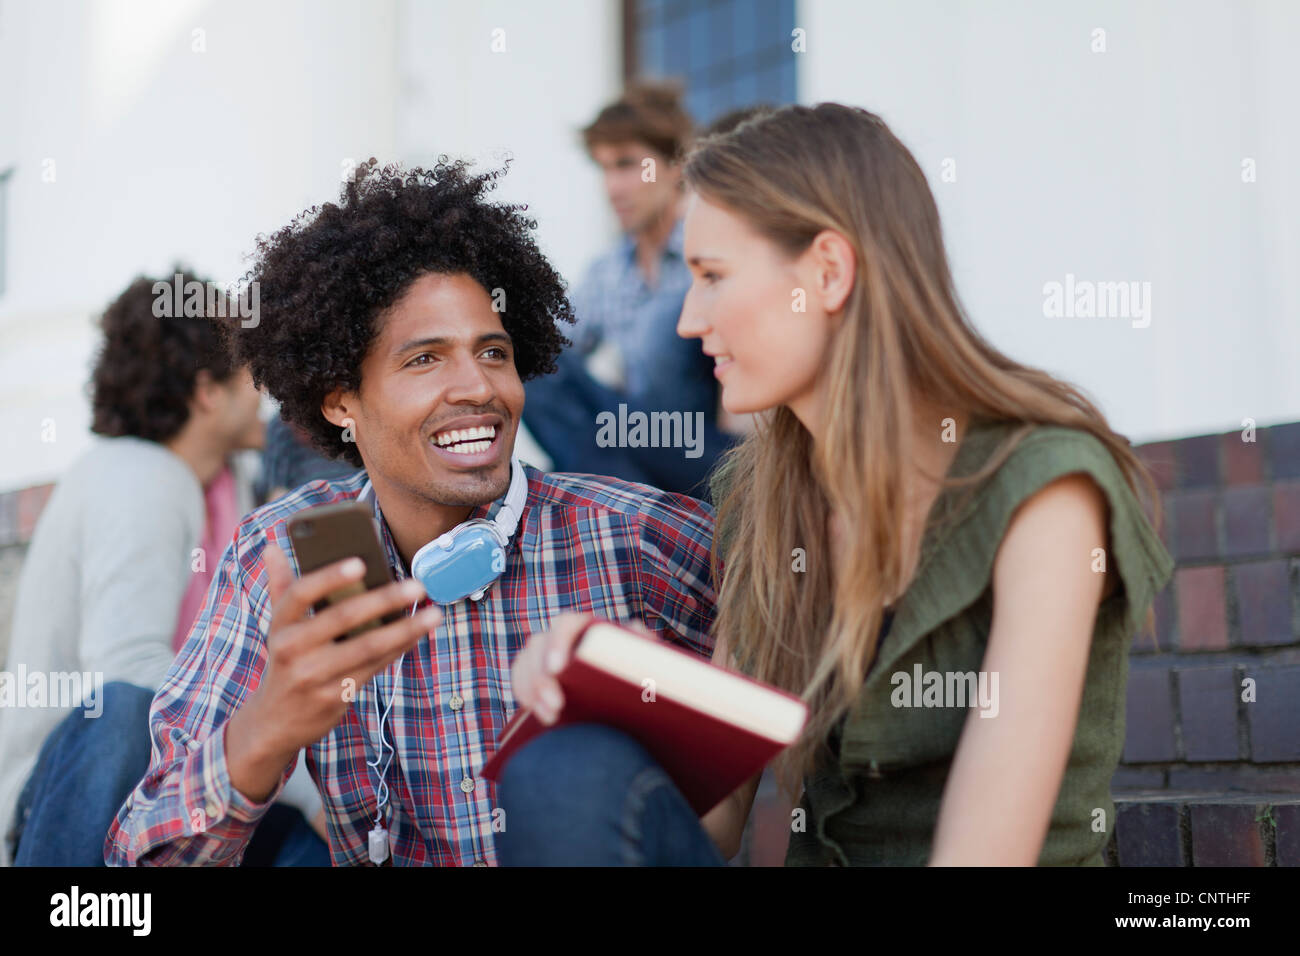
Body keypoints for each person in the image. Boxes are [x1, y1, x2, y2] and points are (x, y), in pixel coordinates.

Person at [498, 103, 1176, 867]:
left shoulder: (1042, 488)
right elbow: (712, 826)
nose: (689, 320)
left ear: (827, 271)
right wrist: (629, 699)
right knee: (568, 770)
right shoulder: (761, 497)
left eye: (713, 276)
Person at [104, 158, 717, 867]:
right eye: (424, 360)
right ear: (340, 401)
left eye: (493, 352)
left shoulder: (635, 537)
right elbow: (141, 859)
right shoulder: (277, 557)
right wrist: (264, 735)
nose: (476, 387)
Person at [0, 271, 324, 866]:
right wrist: (303, 783)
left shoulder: (228, 491)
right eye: (249, 374)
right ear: (208, 393)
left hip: (175, 791)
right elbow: (128, 673)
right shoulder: (138, 476)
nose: (263, 392)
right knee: (126, 703)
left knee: (307, 846)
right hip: (65, 803)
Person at [522, 83, 737, 499]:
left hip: (700, 447)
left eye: (626, 165)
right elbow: (554, 362)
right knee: (532, 356)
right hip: (632, 443)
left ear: (676, 165)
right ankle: (623, 495)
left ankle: (603, 491)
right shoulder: (607, 272)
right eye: (603, 169)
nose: (612, 188)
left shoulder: (712, 239)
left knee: (664, 321)